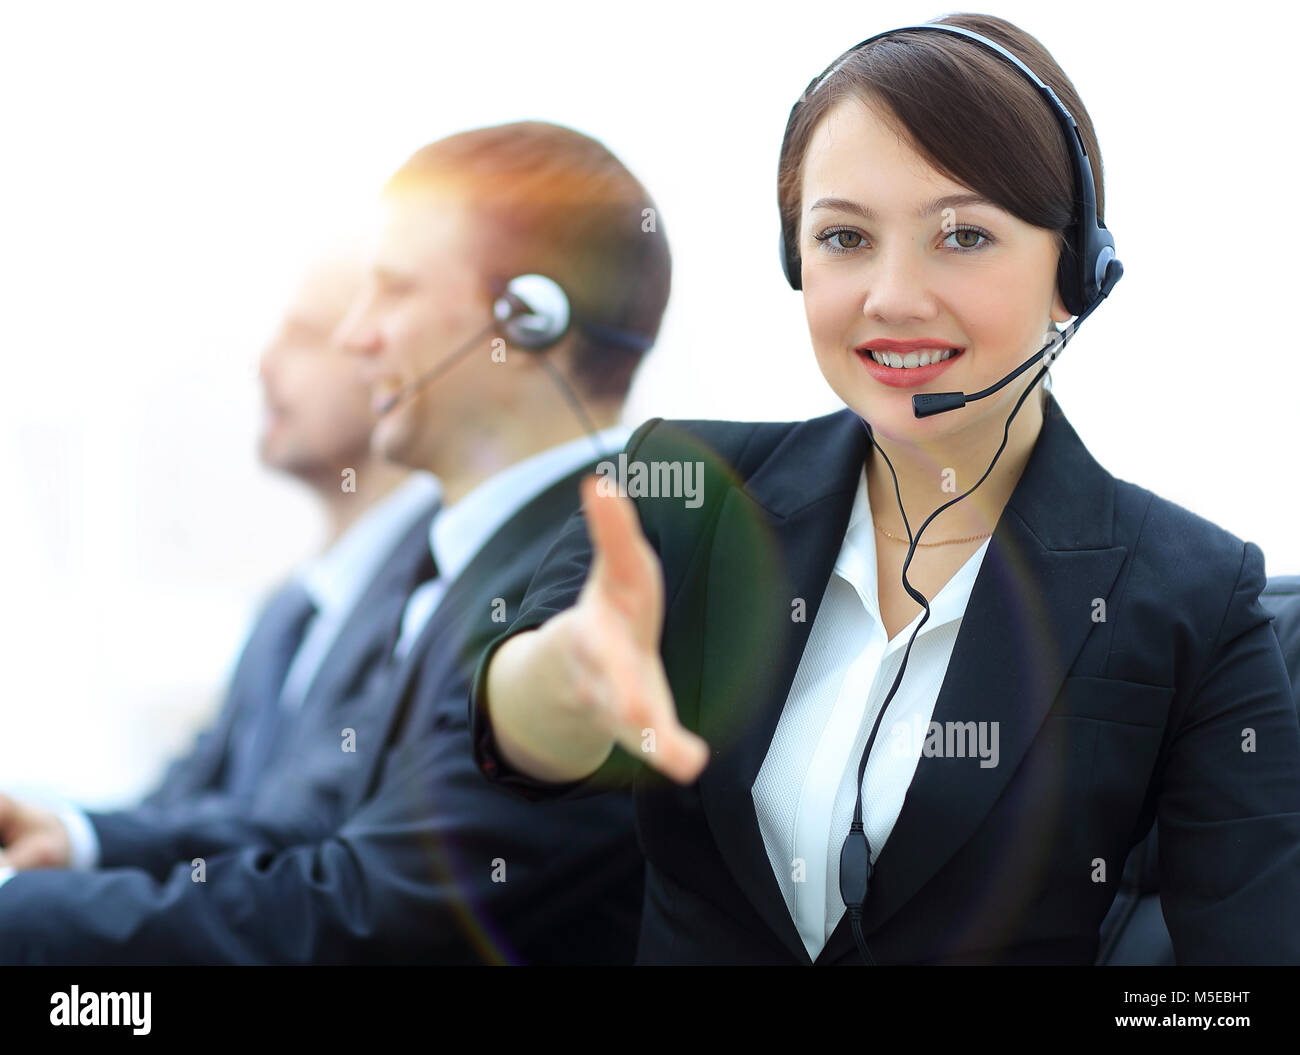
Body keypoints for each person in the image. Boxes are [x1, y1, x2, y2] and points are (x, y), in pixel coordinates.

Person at [471, 14, 1300, 965]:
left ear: (1078, 273)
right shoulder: (682, 488)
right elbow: (514, 737)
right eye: (845, 237)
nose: (894, 296)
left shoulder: (1194, 591)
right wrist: (551, 690)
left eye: (964, 235)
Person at [0, 119, 670, 964]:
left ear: (527, 321)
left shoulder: (600, 581)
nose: (359, 338)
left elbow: (376, 912)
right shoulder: (454, 562)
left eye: (392, 291)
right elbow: (318, 824)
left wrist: (24, 918)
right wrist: (81, 841)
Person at [0, 246, 441, 880]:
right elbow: (181, 802)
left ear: (387, 360)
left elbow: (306, 830)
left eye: (306, 336)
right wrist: (55, 833)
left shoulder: (435, 593)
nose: (263, 365)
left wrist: (67, 858)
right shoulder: (291, 609)